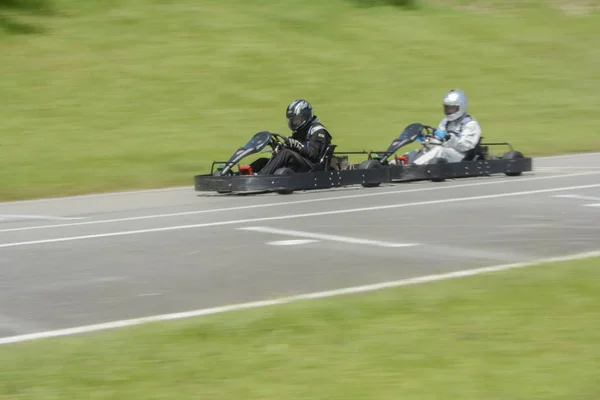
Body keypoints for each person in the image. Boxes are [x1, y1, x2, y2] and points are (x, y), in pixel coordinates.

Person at [255, 99, 333, 174]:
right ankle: (247, 172)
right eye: (291, 120)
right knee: (263, 161)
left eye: (296, 120)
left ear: (305, 116)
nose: (293, 123)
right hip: (302, 162)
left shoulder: (319, 131)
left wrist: (297, 145)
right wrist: (278, 146)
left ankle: (261, 175)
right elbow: (294, 149)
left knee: (286, 153)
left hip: (313, 166)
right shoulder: (302, 130)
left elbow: (313, 154)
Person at [411, 89, 482, 165]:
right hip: (447, 150)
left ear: (461, 107)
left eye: (452, 108)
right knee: (424, 150)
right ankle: (402, 162)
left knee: (440, 150)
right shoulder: (445, 122)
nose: (449, 111)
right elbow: (439, 142)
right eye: (447, 108)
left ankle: (414, 167)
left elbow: (466, 146)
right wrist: (428, 140)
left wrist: (450, 138)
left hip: (461, 155)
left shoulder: (470, 124)